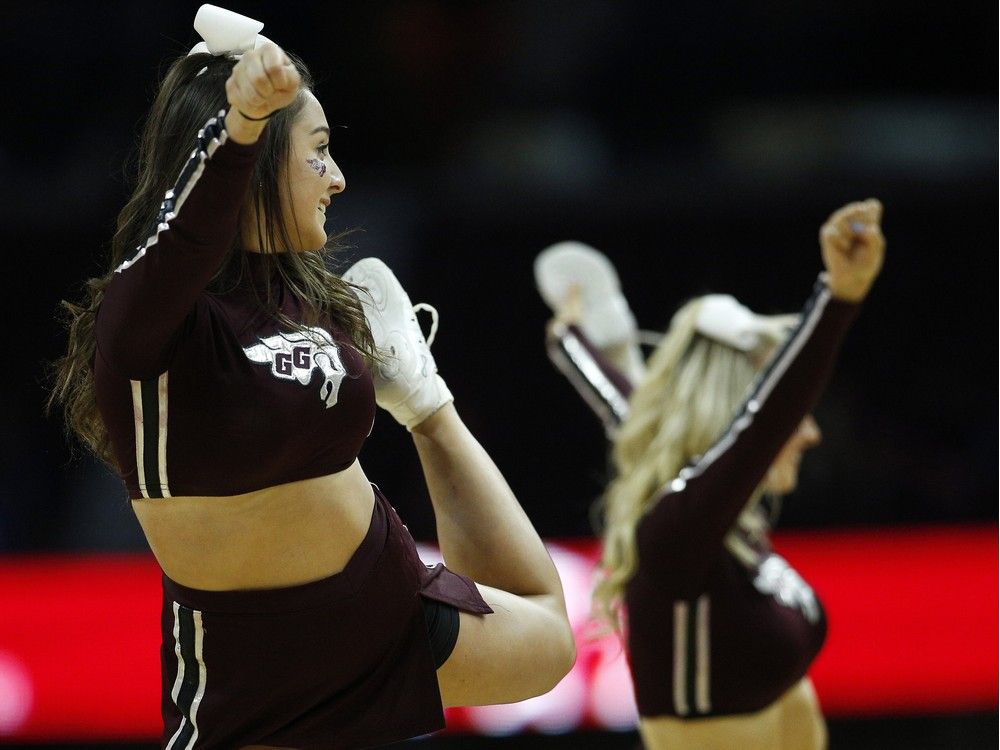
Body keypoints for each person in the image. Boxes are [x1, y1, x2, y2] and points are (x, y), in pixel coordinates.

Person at [48, 6, 574, 749]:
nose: (338, 177)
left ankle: (422, 398)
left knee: (550, 637)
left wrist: (414, 405)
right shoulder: (146, 326)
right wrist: (239, 122)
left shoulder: (302, 297)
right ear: (257, 161)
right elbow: (186, 235)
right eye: (318, 154)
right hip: (247, 670)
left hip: (384, 613)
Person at [539, 200, 885, 749]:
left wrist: (571, 341)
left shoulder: (711, 518)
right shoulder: (677, 533)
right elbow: (767, 419)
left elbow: (623, 413)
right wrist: (837, 296)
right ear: (737, 416)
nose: (813, 433)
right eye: (802, 416)